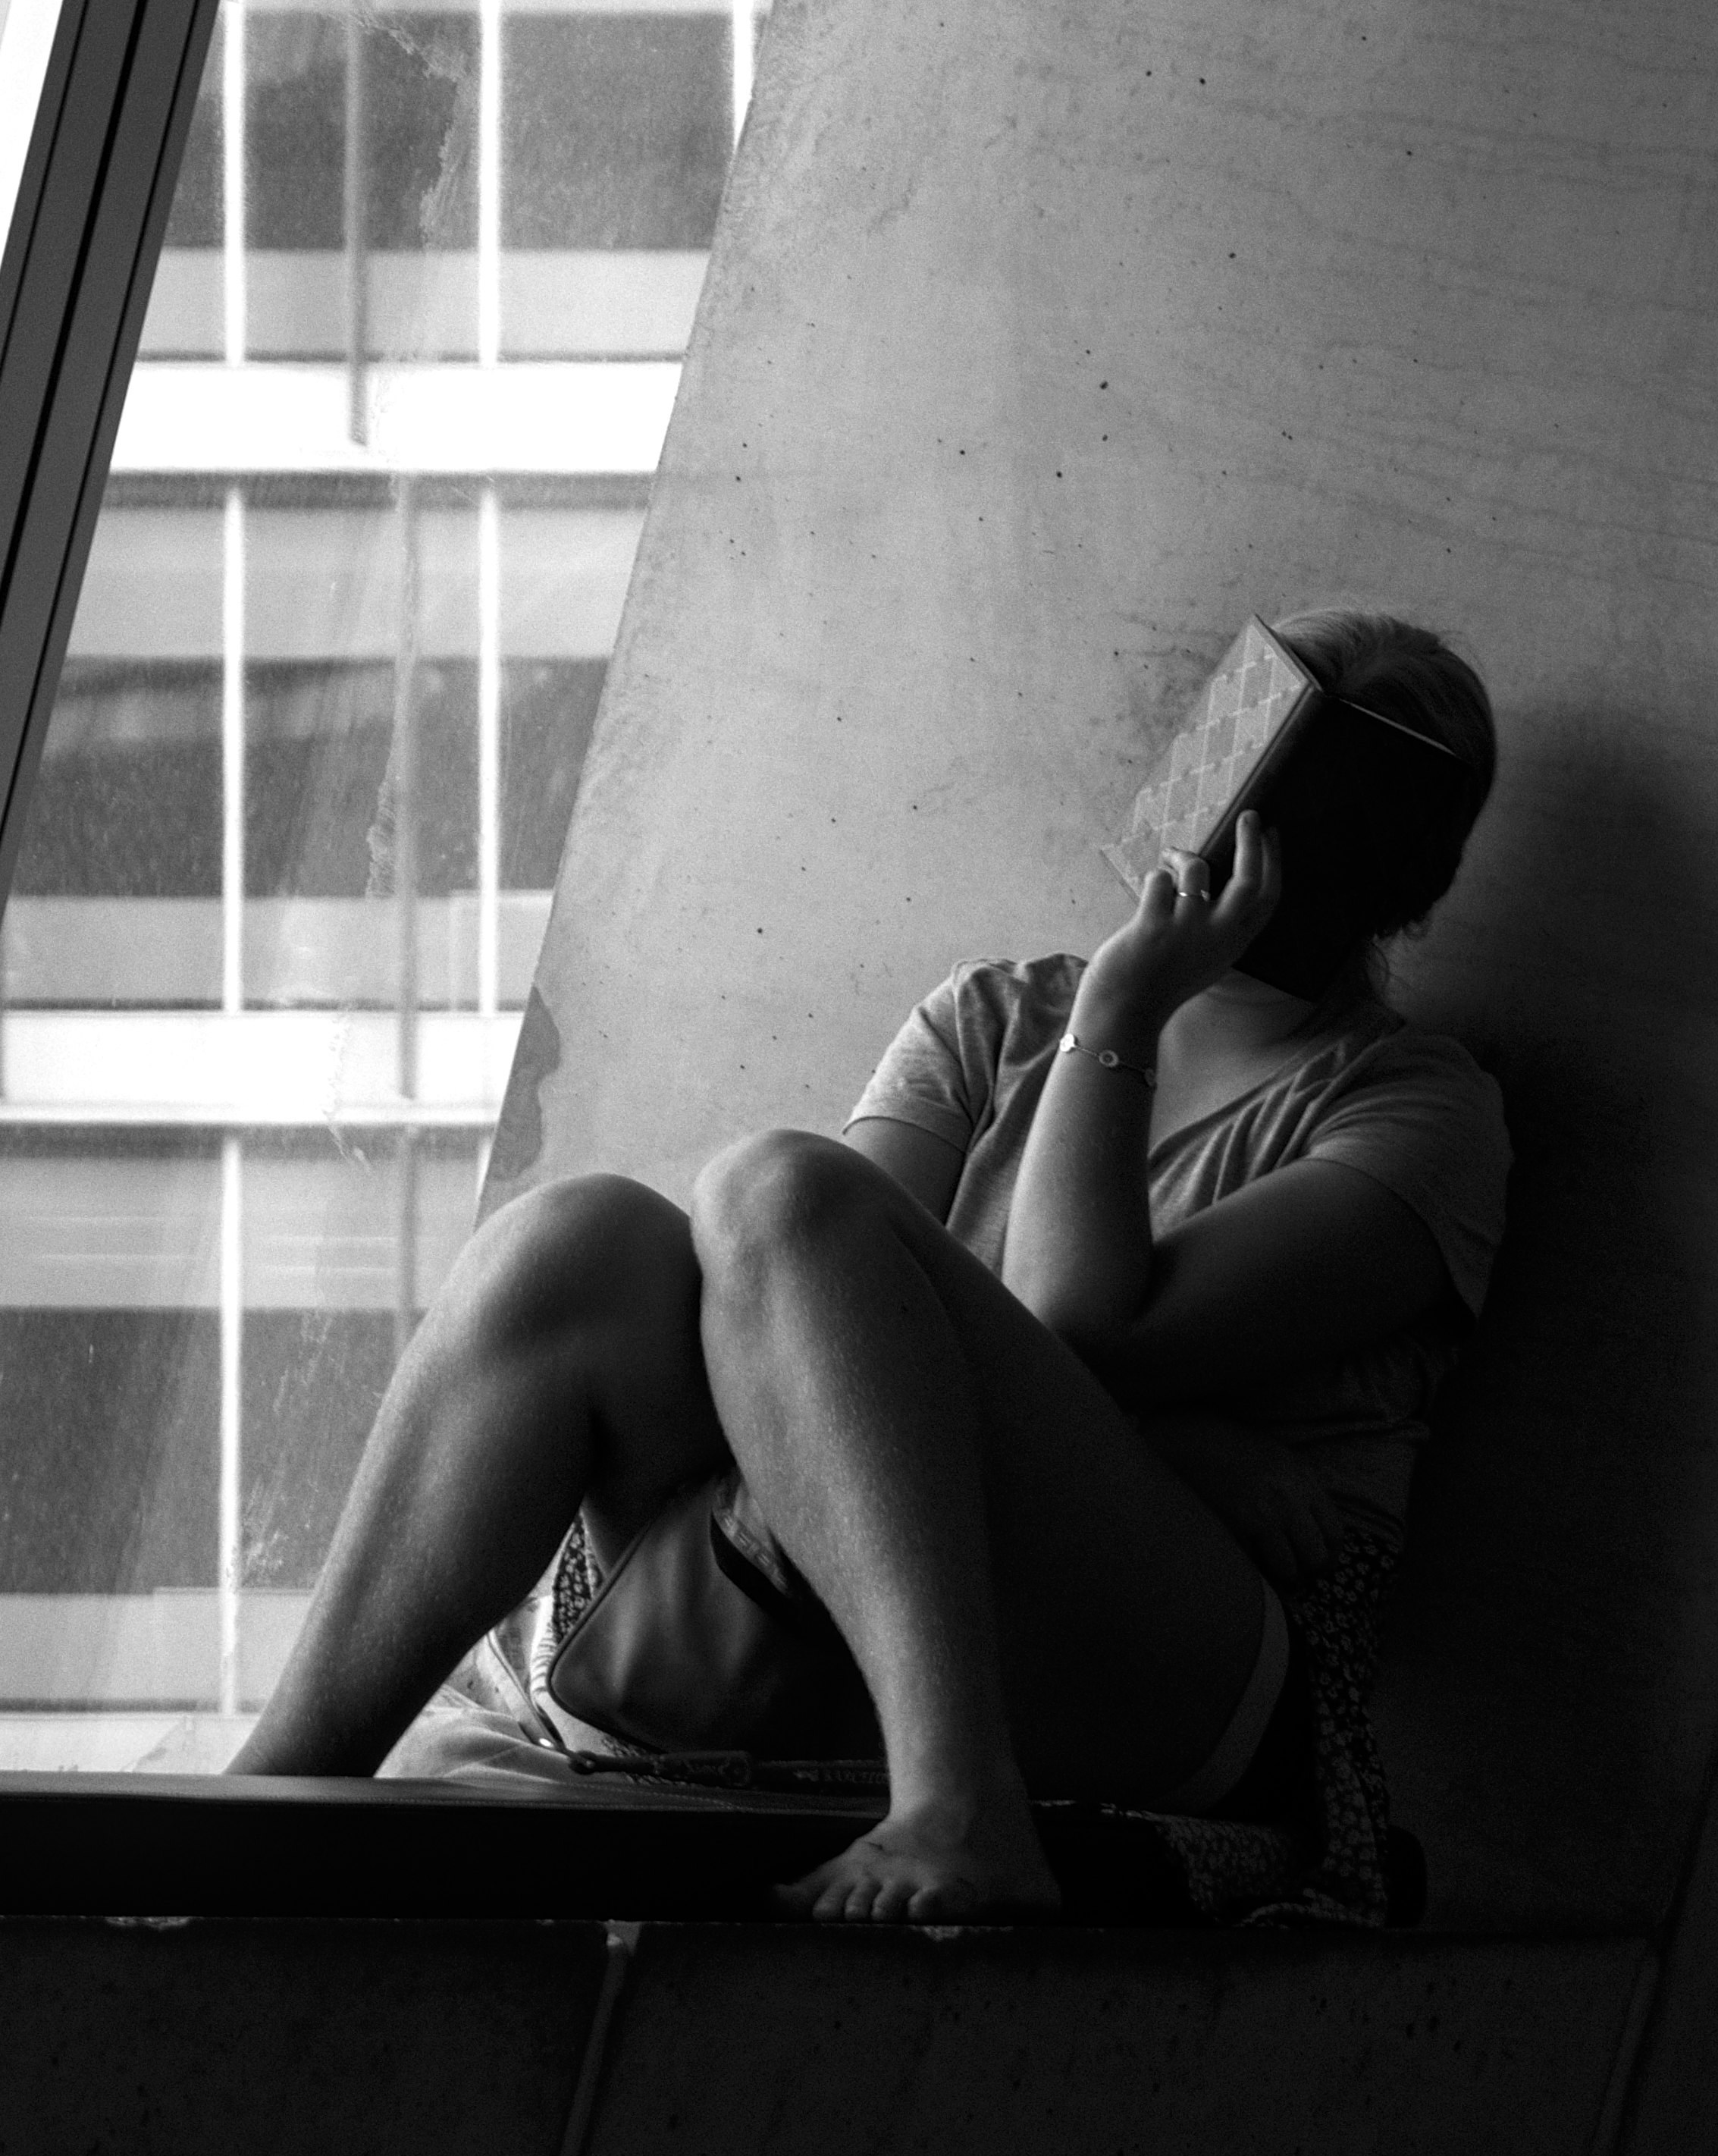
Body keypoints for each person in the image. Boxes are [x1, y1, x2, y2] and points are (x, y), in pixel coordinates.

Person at [228, 610, 1510, 1925]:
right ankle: (274, 1787)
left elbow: (1081, 1321)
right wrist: (1179, 1441)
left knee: (781, 1184)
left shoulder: (1416, 1111)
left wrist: (1122, 1012)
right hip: (870, 1594)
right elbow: (800, 1325)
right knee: (580, 1241)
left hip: (1185, 1671)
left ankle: (959, 1801)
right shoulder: (992, 1016)